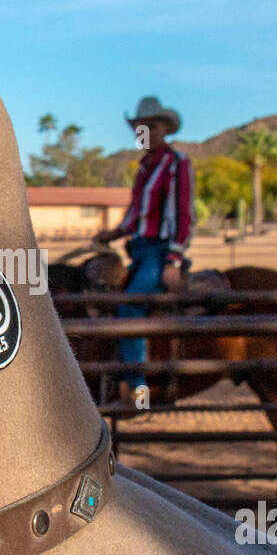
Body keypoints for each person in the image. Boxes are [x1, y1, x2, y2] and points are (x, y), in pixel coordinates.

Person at [93, 96, 195, 406]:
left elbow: (184, 215)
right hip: (138, 249)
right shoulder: (143, 169)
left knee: (131, 306)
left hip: (159, 251)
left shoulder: (176, 164)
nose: (145, 133)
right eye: (140, 127)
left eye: (151, 126)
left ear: (164, 129)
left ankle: (138, 387)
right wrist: (114, 232)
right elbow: (136, 214)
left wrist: (173, 260)